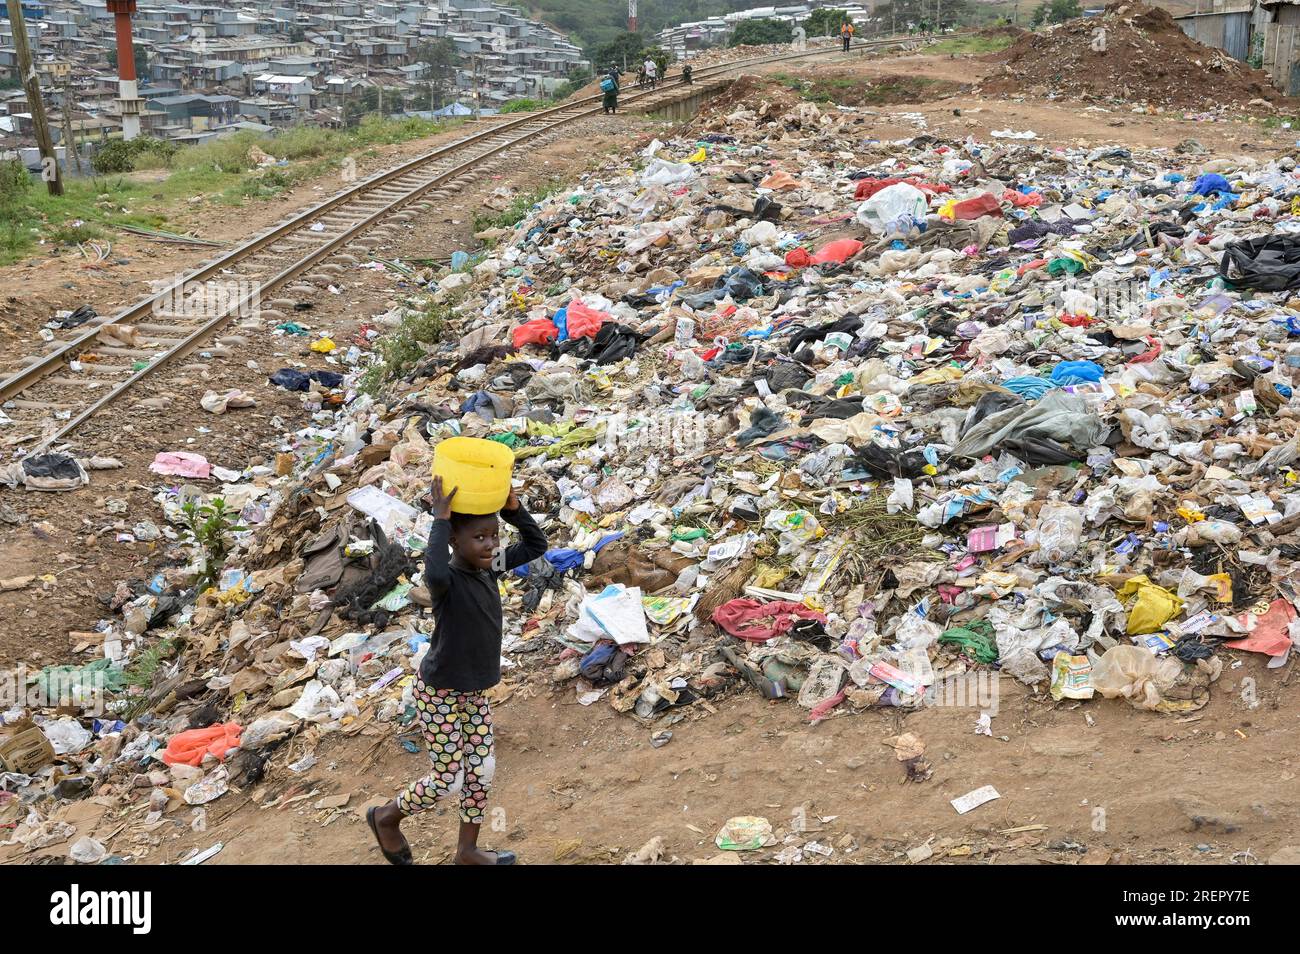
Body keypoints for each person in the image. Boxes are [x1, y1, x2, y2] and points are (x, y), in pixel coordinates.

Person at [366, 476, 548, 865]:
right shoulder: (447, 581)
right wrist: (441, 518)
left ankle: (467, 851)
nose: (490, 545)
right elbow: (432, 572)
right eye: (479, 538)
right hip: (439, 693)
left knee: (482, 769)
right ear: (454, 541)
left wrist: (514, 511)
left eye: (493, 536)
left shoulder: (489, 568)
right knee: (448, 779)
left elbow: (537, 545)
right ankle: (385, 816)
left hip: (472, 692)